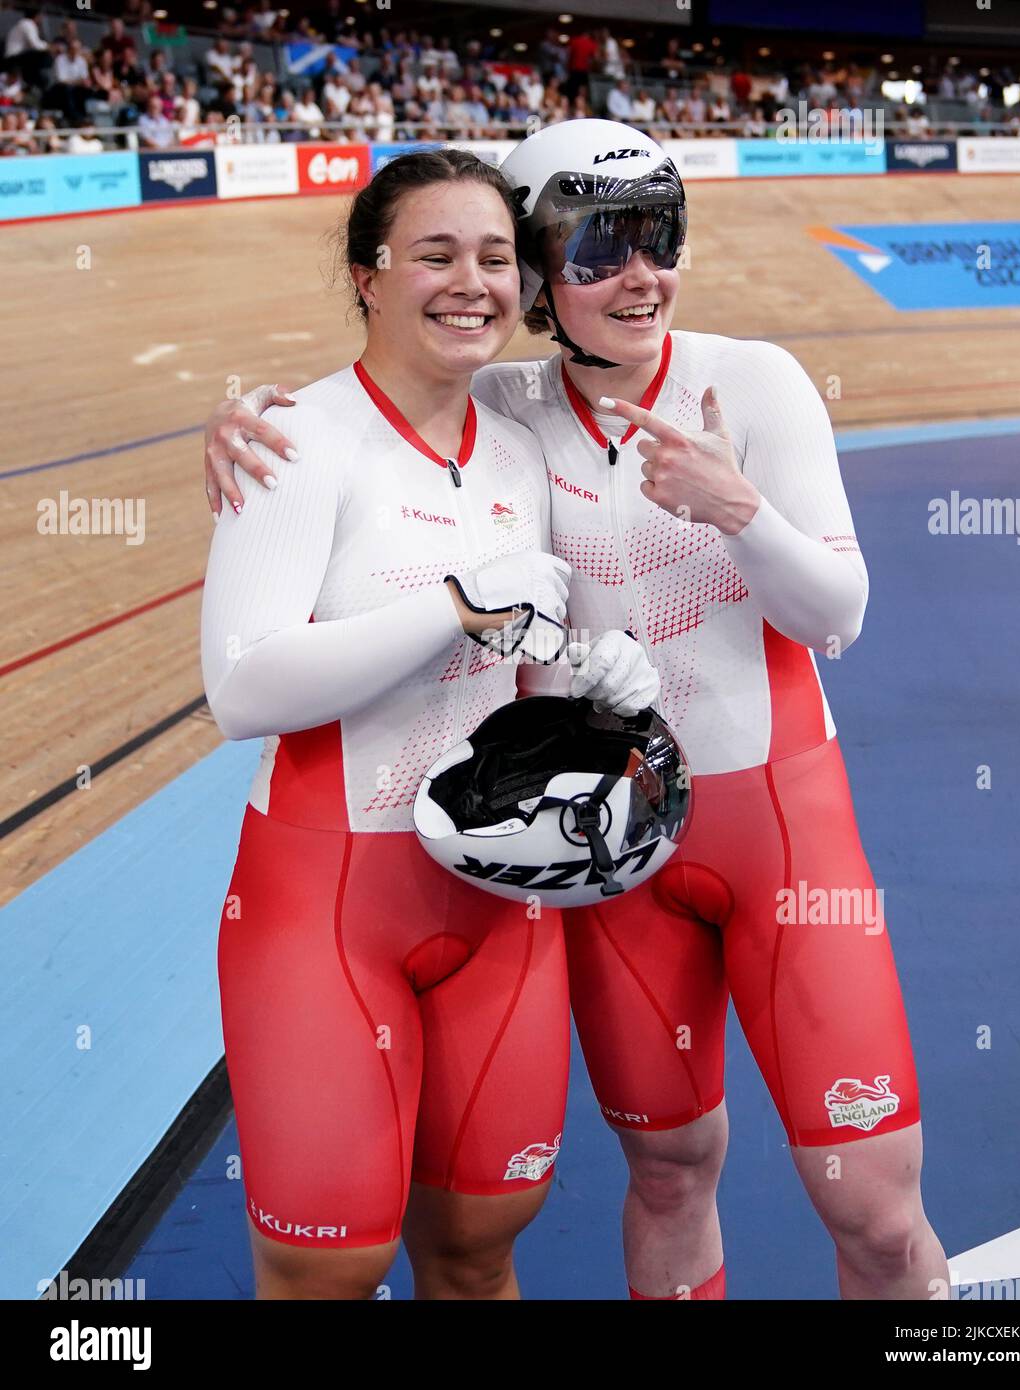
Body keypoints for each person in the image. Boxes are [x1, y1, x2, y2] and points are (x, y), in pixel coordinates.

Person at [201, 120, 949, 1302]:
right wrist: (249, 414)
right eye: (597, 246)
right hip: (612, 856)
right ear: (545, 272)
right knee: (664, 1170)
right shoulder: (507, 406)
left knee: (876, 1214)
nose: (637, 272)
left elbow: (836, 616)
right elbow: (392, 376)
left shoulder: (749, 381)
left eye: (660, 236)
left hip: (780, 834)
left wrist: (738, 510)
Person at [201, 146, 650, 1300]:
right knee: (324, 1275)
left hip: (500, 903)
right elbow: (242, 689)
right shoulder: (294, 441)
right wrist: (451, 607)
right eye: (436, 255)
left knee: (479, 1247)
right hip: (327, 908)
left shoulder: (517, 436)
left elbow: (528, 660)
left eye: (496, 258)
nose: (472, 283)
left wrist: (594, 686)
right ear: (366, 274)